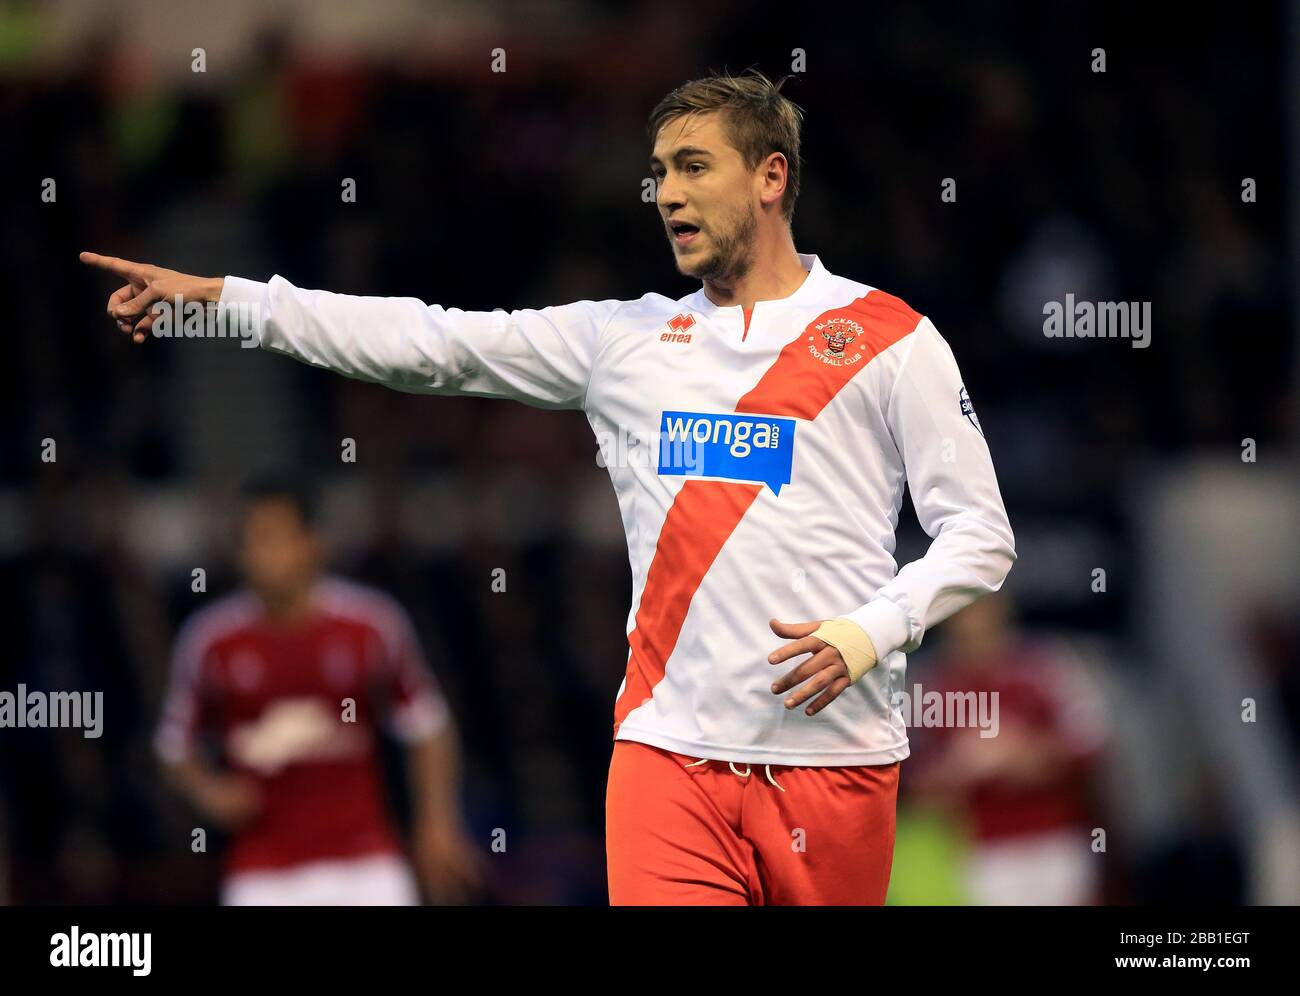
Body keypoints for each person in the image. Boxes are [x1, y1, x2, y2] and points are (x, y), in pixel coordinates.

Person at [84, 69, 1016, 905]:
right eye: (659, 171)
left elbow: (980, 534)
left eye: (695, 167)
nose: (668, 194)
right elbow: (432, 344)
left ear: (772, 177)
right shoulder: (624, 342)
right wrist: (231, 300)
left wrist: (873, 630)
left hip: (838, 766)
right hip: (668, 756)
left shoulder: (891, 339)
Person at [154, 476, 480, 905]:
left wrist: (437, 823)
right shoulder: (211, 641)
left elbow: (428, 727)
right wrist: (209, 791)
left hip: (366, 864)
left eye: (274, 537)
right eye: (251, 541)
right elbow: (174, 745)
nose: (261, 554)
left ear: (313, 543)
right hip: (264, 871)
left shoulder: (370, 625)